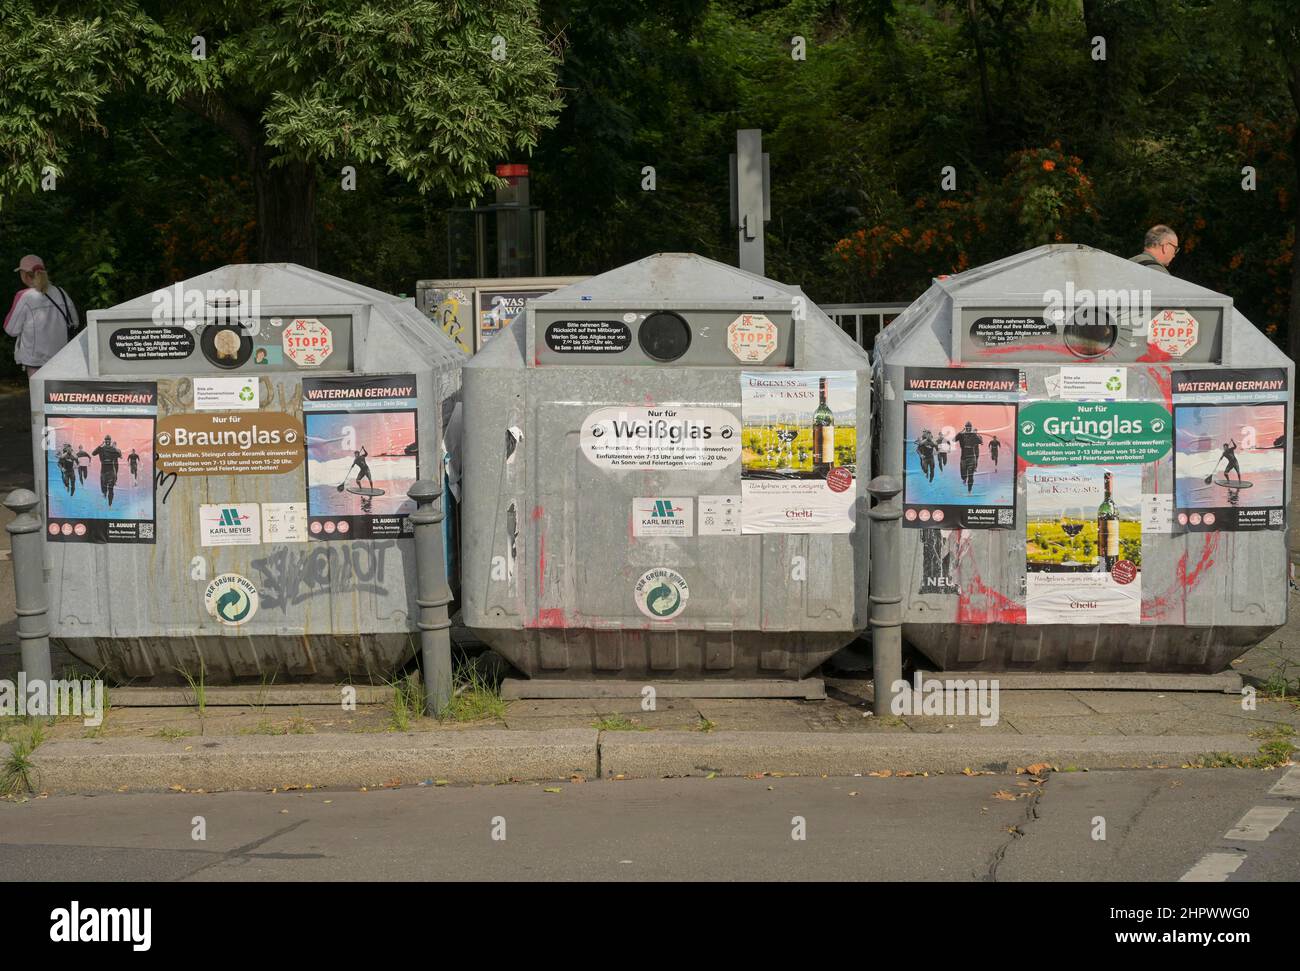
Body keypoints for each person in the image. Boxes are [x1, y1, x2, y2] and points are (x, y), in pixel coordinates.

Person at [3, 255, 78, 376]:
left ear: (25, 275)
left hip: (36, 362)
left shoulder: (24, 296)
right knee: (57, 395)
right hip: (61, 358)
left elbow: (11, 330)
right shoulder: (61, 292)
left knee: (39, 394)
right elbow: (74, 322)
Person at [92, 435, 122, 507]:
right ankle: (109, 503)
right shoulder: (105, 449)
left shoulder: (102, 449)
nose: (108, 441)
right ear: (106, 441)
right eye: (107, 440)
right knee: (106, 488)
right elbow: (120, 455)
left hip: (107, 471)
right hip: (107, 471)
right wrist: (115, 449)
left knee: (108, 488)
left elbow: (93, 453)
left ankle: (109, 503)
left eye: (108, 440)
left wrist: (100, 446)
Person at [954, 421, 984, 493]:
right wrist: (961, 431)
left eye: (969, 428)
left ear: (971, 428)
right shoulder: (961, 435)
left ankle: (969, 490)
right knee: (963, 475)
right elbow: (954, 439)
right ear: (965, 428)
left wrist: (975, 434)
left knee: (971, 475)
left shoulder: (973, 435)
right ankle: (964, 479)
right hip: (963, 458)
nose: (968, 429)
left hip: (971, 457)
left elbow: (980, 441)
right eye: (967, 428)